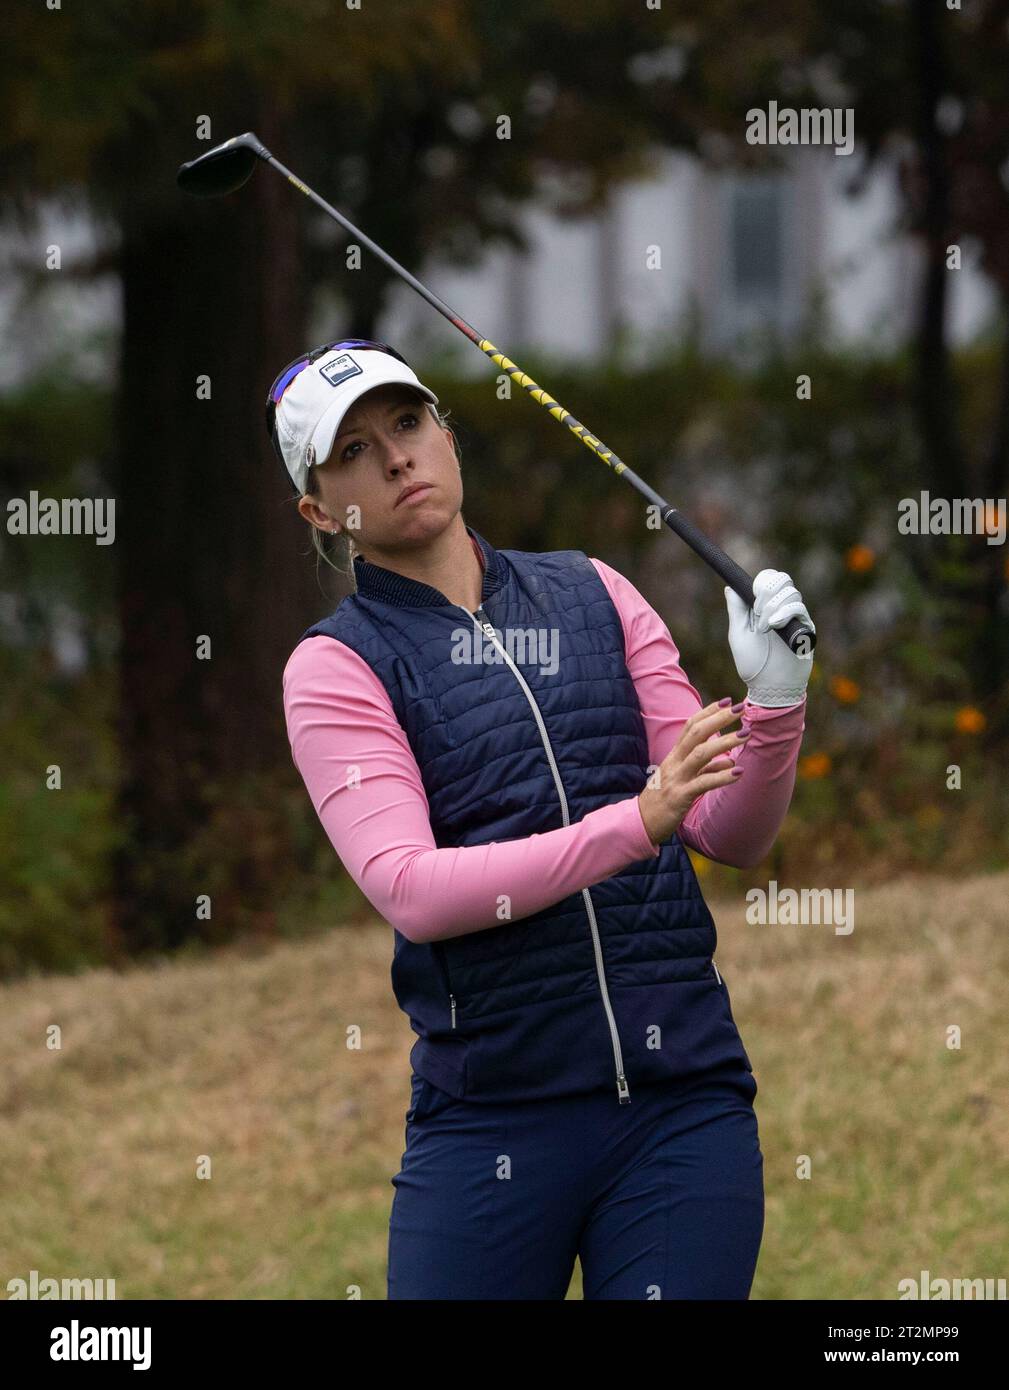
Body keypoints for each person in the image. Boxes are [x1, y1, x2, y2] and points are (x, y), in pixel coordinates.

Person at [273, 338, 815, 1300]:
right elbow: (413, 890)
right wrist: (633, 822)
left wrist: (774, 704)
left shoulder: (594, 591)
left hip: (677, 1102)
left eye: (407, 423)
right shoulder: (336, 667)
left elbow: (728, 831)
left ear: (447, 434)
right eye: (352, 451)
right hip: (491, 1122)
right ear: (321, 510)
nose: (396, 457)